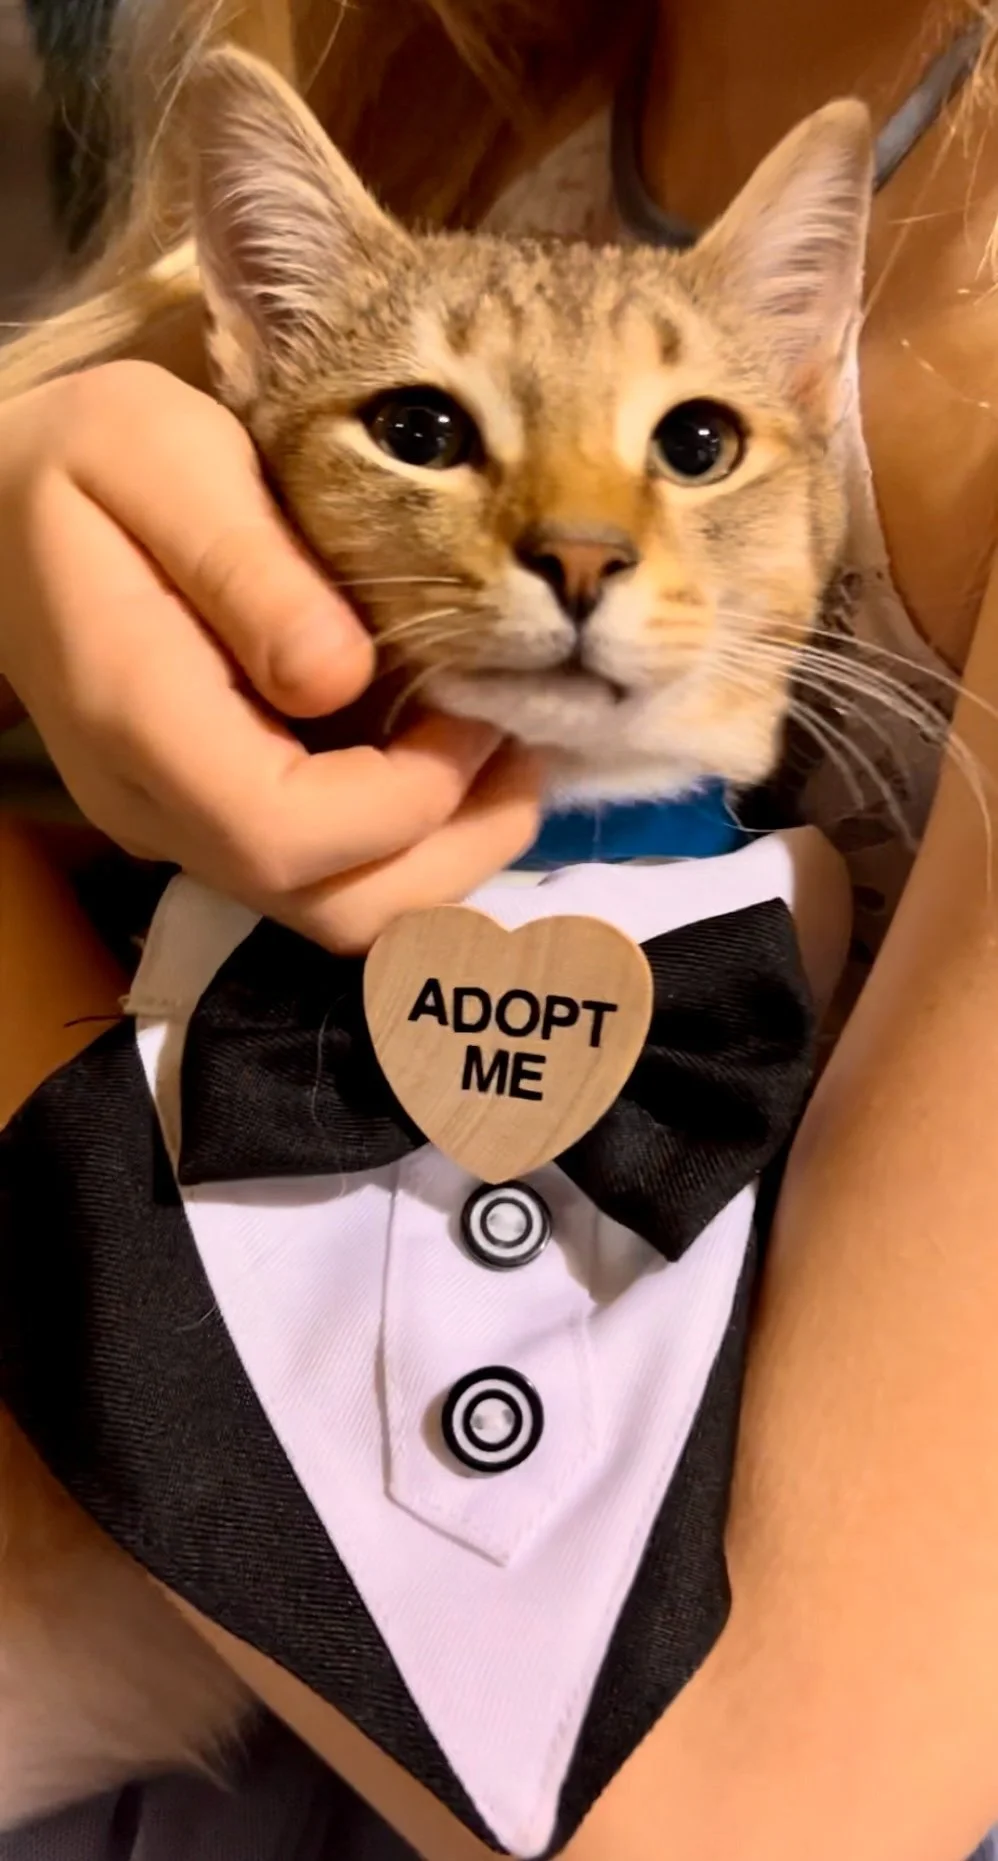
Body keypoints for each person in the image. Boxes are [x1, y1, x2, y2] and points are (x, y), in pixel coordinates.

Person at [4, 1, 998, 1857]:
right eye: (433, 428)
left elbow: (730, 1818)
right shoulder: (452, 85)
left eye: (690, 438)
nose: (580, 539)